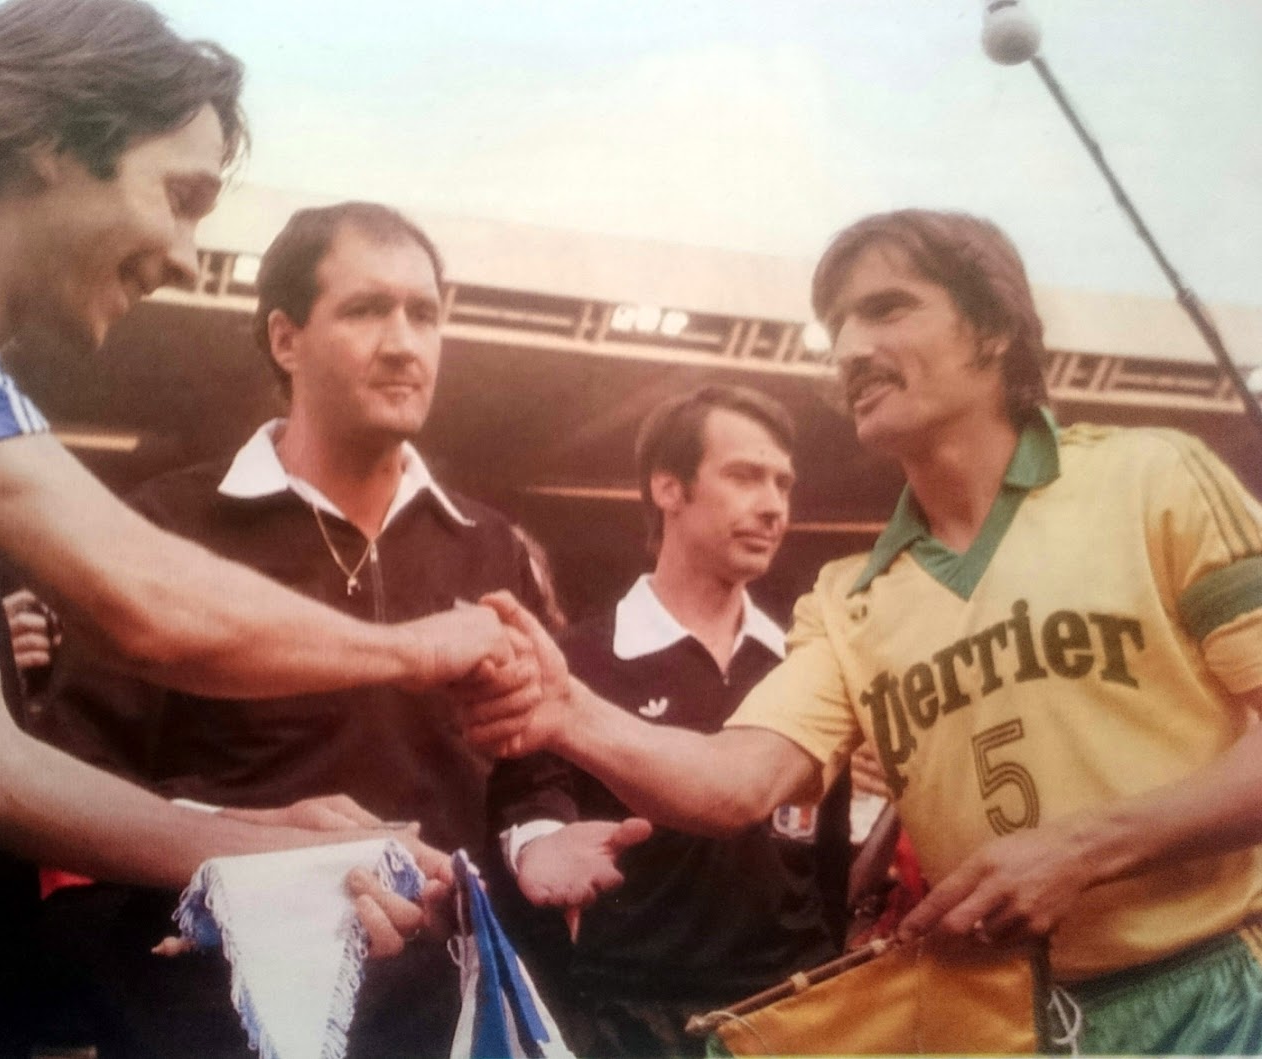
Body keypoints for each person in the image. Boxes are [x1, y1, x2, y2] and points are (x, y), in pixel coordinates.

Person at [0, 3, 520, 1054]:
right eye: (180, 197)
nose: (189, 256)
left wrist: (265, 847)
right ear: (51, 138)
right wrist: (416, 648)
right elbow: (139, 599)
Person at [464, 209, 1262, 1055]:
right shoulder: (850, 595)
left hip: (1201, 1001)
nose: (847, 348)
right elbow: (736, 783)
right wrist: (570, 712)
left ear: (992, 328)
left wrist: (1083, 849)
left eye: (886, 308)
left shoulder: (1155, 479)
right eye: (837, 325)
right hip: (989, 1025)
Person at [31, 200, 560, 1058]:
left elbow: (528, 771)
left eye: (424, 313)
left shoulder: (490, 545)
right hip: (219, 1019)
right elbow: (72, 783)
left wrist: (542, 836)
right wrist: (264, 845)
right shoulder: (165, 526)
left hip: (438, 1019)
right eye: (367, 309)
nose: (404, 342)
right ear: (286, 338)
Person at [489, 385, 850, 1057]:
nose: (772, 505)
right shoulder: (578, 661)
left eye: (783, 483)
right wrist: (539, 842)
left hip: (795, 1010)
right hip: (634, 1023)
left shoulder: (806, 664)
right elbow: (529, 797)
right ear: (668, 488)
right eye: (745, 476)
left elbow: (827, 864)